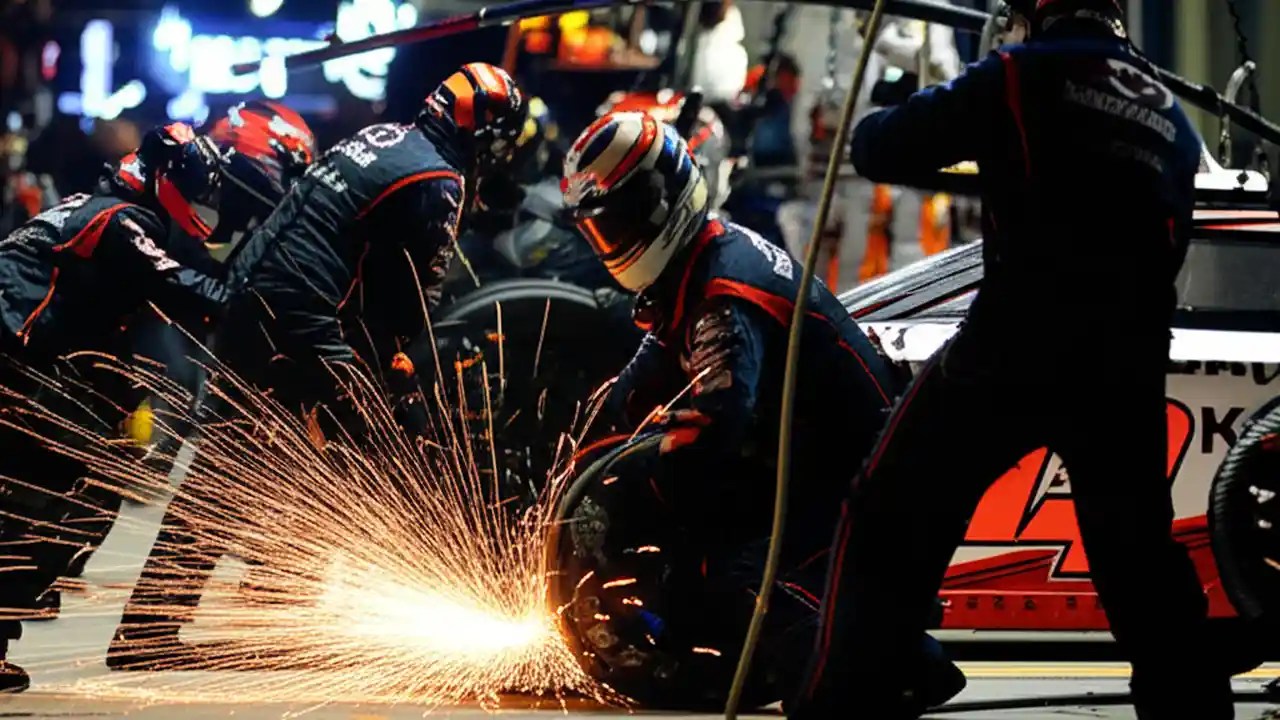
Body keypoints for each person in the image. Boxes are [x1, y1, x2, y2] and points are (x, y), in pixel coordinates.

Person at [789, 2, 1225, 719]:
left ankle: (845, 706)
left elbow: (879, 148)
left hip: (1014, 345)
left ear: (1037, 12)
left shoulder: (1023, 75)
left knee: (888, 516)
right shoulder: (1169, 117)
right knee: (1141, 565)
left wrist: (918, 112)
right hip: (1125, 365)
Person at [109, 63, 529, 666]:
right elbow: (409, 294)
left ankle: (150, 626)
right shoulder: (441, 181)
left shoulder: (382, 136)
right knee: (384, 448)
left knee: (233, 467)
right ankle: (456, 594)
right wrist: (396, 364)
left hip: (250, 299)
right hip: (303, 318)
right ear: (482, 135)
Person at [557, 110, 957, 706]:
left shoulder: (724, 291)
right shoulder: (694, 266)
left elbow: (714, 431)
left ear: (658, 202)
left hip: (861, 486)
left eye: (616, 223)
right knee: (690, 542)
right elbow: (624, 404)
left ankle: (898, 664)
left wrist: (631, 496)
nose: (611, 242)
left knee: (735, 579)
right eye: (600, 230)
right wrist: (568, 485)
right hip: (812, 468)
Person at [0, 122, 229, 692]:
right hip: (16, 358)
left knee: (68, 495)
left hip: (26, 358)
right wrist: (246, 301)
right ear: (166, 177)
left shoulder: (108, 208)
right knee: (44, 500)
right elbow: (174, 284)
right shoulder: (121, 219)